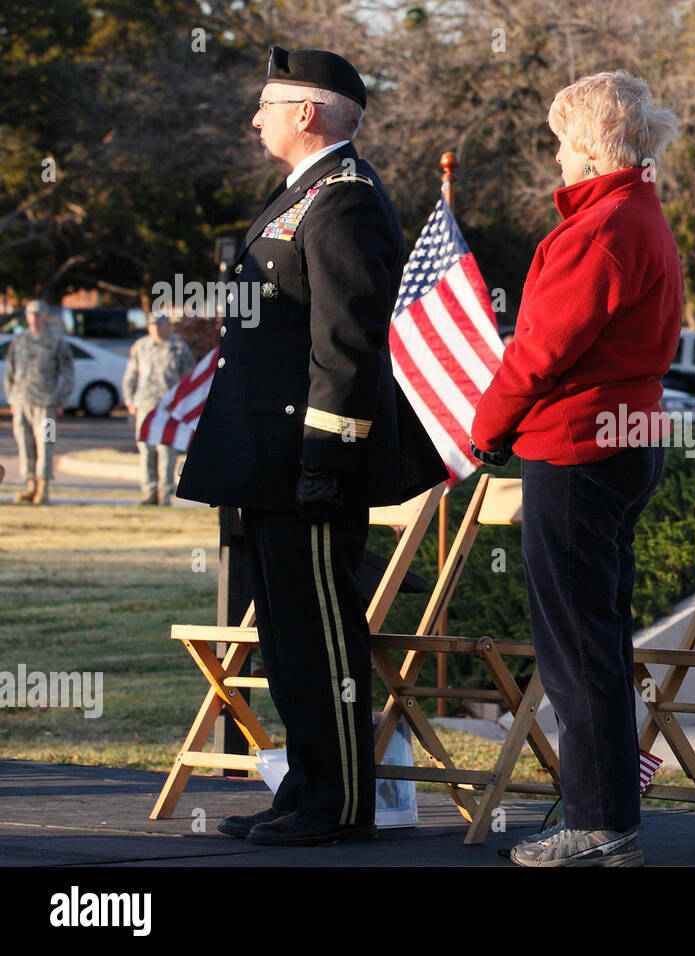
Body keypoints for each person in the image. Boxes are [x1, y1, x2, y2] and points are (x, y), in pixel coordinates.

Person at [177, 45, 447, 846]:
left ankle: (341, 804)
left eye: (267, 103)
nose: (254, 117)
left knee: (326, 638)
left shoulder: (345, 200)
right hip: (268, 461)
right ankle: (303, 789)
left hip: (309, 462)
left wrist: (328, 460)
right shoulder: (303, 194)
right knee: (289, 638)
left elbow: (347, 344)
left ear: (308, 113)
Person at [470, 70, 682, 867]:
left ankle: (598, 821)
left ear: (589, 147)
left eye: (564, 143)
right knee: (597, 636)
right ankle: (606, 815)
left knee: (576, 646)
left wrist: (487, 429)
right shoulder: (643, 214)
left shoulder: (602, 225)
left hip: (578, 446)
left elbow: (540, 351)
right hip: (624, 439)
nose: (557, 159)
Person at [123, 313, 195, 506]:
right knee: (146, 449)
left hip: (168, 407)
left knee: (166, 449)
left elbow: (189, 378)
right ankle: (149, 491)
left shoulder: (178, 347)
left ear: (167, 326)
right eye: (152, 325)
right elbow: (131, 374)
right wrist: (130, 400)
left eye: (159, 324)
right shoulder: (140, 346)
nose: (155, 328)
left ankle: (165, 492)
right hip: (145, 405)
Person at [7, 300, 74, 505]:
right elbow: (10, 372)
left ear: (45, 317)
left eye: (39, 314)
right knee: (25, 444)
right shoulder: (19, 341)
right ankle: (30, 486)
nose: (35, 318)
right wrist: (11, 398)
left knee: (46, 444)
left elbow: (68, 373)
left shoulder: (56, 342)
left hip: (47, 404)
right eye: (31, 314)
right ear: (27, 317)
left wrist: (61, 399)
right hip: (22, 402)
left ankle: (44, 488)